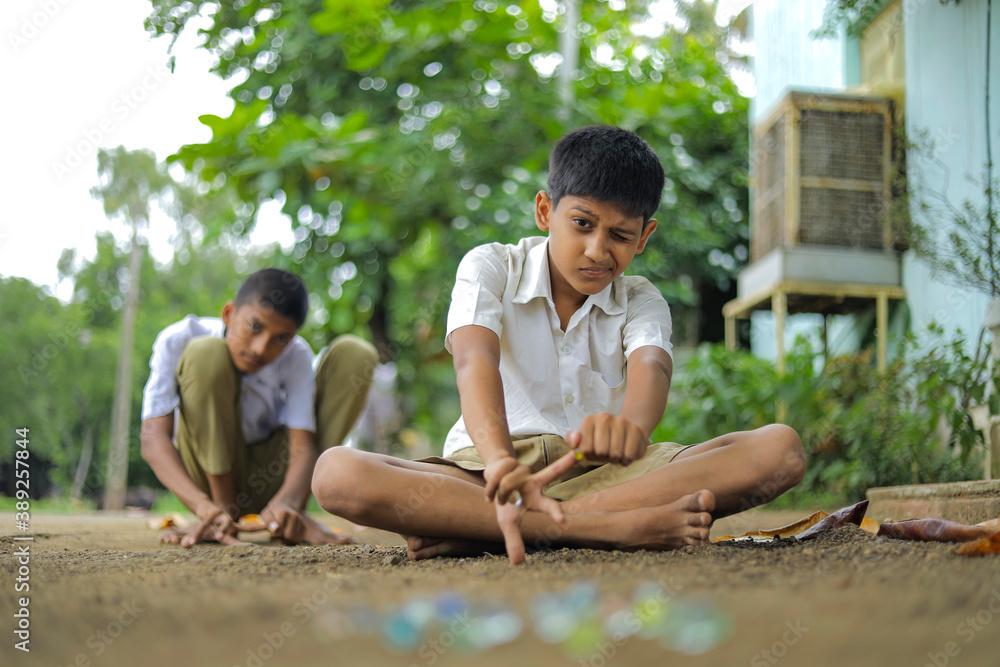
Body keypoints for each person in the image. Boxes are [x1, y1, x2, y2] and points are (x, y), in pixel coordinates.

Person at [311, 125, 807, 564]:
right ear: (546, 210)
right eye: (583, 224)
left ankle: (492, 528)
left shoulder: (641, 299)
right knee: (337, 472)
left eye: (620, 235)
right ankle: (604, 529)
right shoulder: (490, 266)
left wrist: (631, 428)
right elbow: (472, 360)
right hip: (485, 474)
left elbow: (651, 368)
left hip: (606, 475)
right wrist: (502, 461)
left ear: (645, 236)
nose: (598, 250)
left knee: (779, 450)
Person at [140, 268, 378, 547]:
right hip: (205, 478)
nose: (261, 348)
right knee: (206, 353)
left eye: (281, 339)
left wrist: (288, 502)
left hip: (270, 478)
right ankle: (222, 514)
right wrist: (205, 507)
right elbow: (153, 439)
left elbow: (303, 445)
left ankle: (285, 516)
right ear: (228, 313)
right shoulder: (179, 339)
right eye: (254, 327)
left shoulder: (296, 356)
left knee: (357, 354)